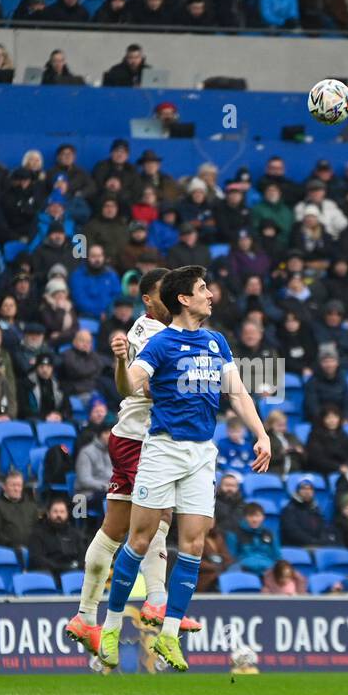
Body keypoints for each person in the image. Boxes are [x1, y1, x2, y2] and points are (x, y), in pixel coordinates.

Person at [98, 266, 271, 671]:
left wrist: (262, 434)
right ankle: (110, 625)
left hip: (201, 454)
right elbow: (128, 387)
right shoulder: (160, 344)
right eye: (202, 289)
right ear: (183, 299)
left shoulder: (216, 342)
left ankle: (169, 635)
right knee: (139, 539)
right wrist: (121, 361)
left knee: (193, 544)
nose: (210, 295)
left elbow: (239, 393)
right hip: (161, 451)